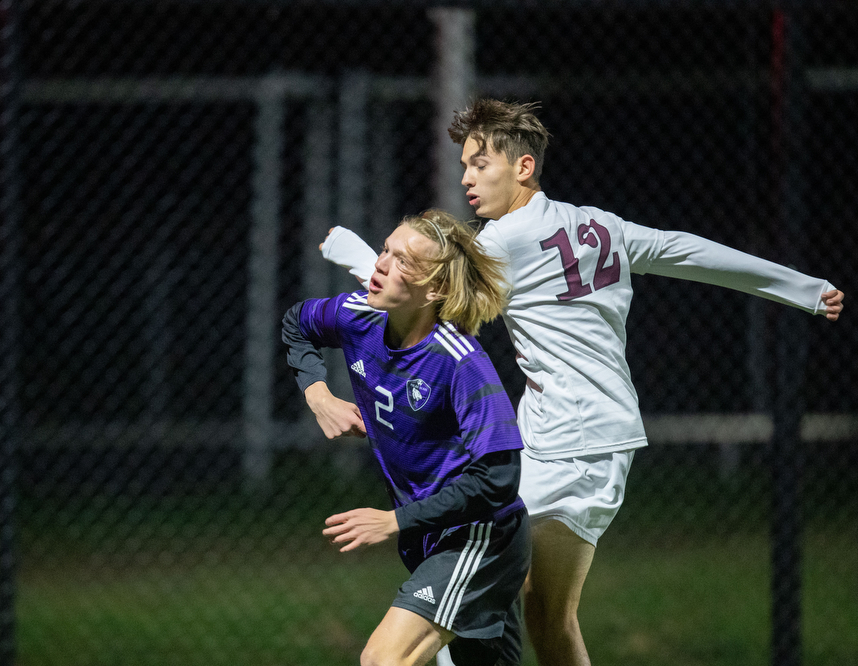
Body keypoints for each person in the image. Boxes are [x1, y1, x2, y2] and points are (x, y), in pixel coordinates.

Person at [318, 98, 846, 666]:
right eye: (465, 165)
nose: (467, 179)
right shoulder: (603, 227)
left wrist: (352, 253)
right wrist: (804, 289)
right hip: (586, 439)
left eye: (480, 165)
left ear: (524, 168)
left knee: (466, 573)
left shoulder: (503, 241)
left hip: (572, 442)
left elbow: (418, 290)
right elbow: (687, 251)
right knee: (544, 614)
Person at [283, 209, 531, 666]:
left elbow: (500, 479)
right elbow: (298, 322)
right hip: (429, 537)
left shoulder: (459, 362)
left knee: (383, 659)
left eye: (402, 262)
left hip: (478, 538)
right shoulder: (359, 317)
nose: (379, 265)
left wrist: (393, 521)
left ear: (434, 289)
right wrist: (319, 396)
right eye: (385, 250)